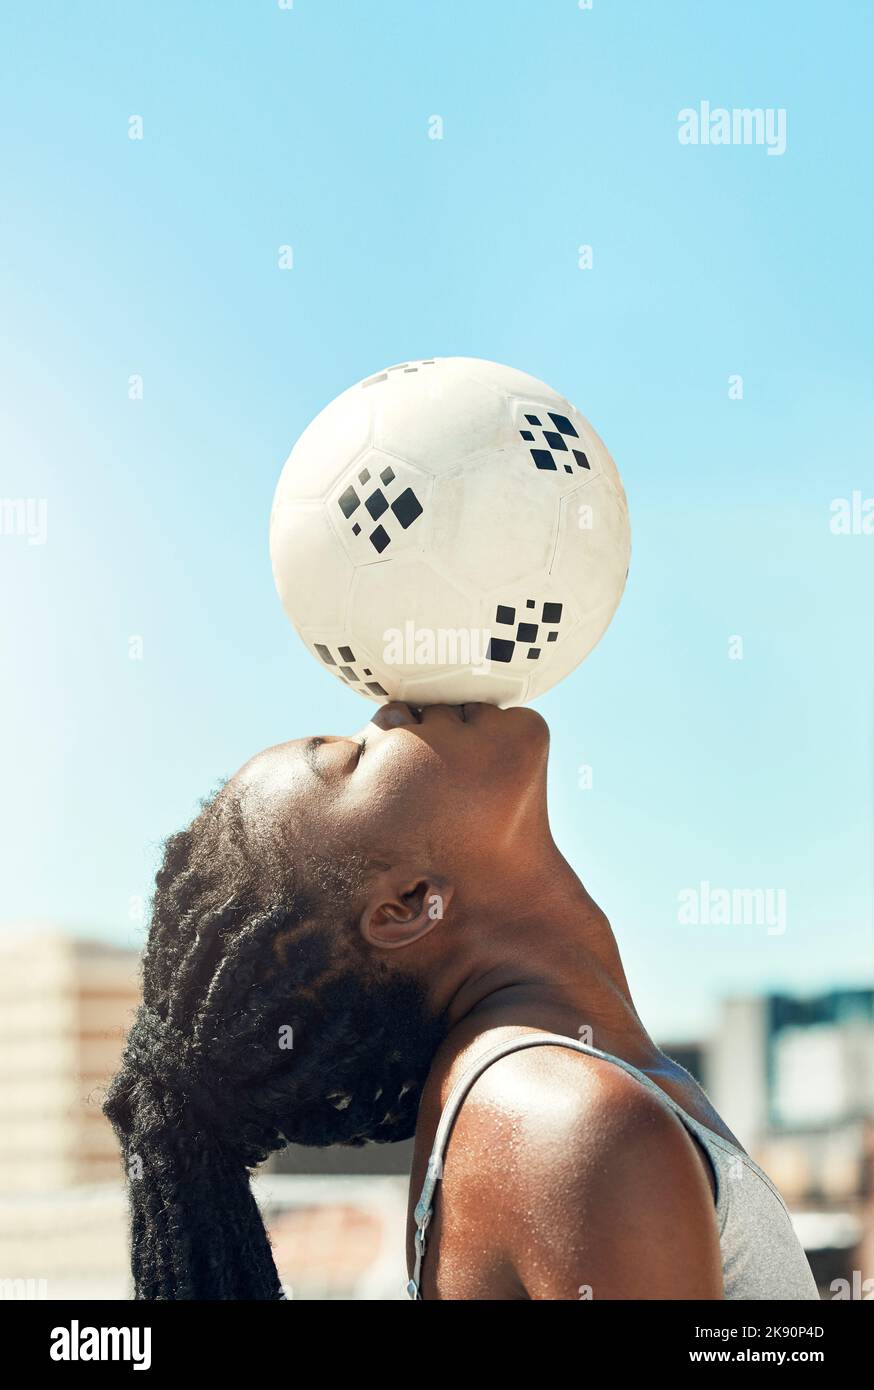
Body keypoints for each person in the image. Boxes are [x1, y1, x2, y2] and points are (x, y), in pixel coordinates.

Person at [104, 700, 819, 1300]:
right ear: (410, 904)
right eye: (352, 755)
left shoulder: (560, 1095)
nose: (389, 709)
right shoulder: (568, 1122)